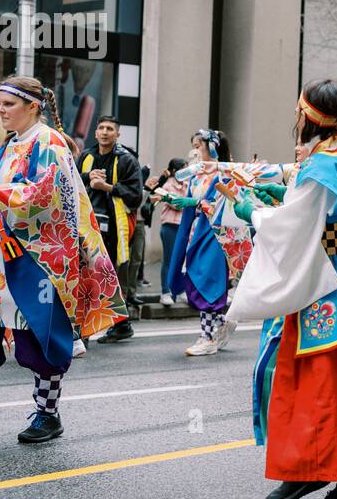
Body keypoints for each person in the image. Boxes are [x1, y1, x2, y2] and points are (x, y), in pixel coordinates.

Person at [0, 75, 127, 444]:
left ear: (32, 106)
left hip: (40, 257)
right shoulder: (10, 145)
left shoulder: (47, 141)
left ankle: (48, 415)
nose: (0, 111)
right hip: (1, 256)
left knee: (37, 334)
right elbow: (4, 197)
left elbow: (44, 191)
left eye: (8, 104)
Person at [227, 80, 337, 499]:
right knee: (302, 385)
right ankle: (308, 469)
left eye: (299, 112)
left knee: (330, 391)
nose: (295, 119)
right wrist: (278, 197)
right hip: (329, 282)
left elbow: (295, 227)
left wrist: (251, 211)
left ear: (309, 117)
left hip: (328, 287)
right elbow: (318, 210)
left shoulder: (321, 165)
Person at [161, 129, 253, 356]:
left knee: (207, 281)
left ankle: (208, 336)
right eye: (194, 145)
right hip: (197, 232)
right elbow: (196, 203)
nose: (195, 150)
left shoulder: (226, 172)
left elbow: (225, 204)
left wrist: (192, 201)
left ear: (212, 147)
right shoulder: (196, 174)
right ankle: (220, 324)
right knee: (198, 278)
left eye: (198, 145)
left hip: (216, 235)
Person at [79, 117, 143, 342]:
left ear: (117, 134)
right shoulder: (86, 156)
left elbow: (136, 196)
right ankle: (99, 326)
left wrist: (105, 187)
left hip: (115, 227)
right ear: (95, 132)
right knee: (87, 273)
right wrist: (88, 177)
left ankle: (116, 325)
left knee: (109, 275)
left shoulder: (126, 160)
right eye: (101, 128)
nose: (105, 132)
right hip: (87, 223)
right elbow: (72, 181)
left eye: (110, 129)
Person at [147, 157, 189, 306]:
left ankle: (181, 291)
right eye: (183, 169)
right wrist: (187, 203)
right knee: (169, 260)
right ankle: (165, 292)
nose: (186, 172)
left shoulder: (187, 184)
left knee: (182, 260)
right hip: (170, 226)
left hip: (183, 226)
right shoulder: (167, 185)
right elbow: (177, 205)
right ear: (175, 171)